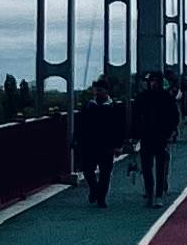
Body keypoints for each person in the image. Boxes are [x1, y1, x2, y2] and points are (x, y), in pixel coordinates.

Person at [75, 74, 122, 207]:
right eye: (96, 90)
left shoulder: (113, 107)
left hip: (107, 145)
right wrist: (77, 139)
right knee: (87, 170)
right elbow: (80, 124)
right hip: (89, 144)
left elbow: (119, 127)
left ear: (106, 91)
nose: (97, 93)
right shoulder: (88, 106)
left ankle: (101, 198)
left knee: (105, 173)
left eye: (100, 90)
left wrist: (118, 145)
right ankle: (94, 189)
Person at [133, 68, 175, 204]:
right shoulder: (142, 97)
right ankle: (150, 192)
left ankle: (159, 195)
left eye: (156, 81)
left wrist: (171, 131)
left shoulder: (166, 97)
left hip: (161, 136)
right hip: (146, 135)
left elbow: (173, 116)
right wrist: (135, 133)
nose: (153, 83)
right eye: (151, 81)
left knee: (160, 167)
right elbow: (135, 117)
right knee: (146, 167)